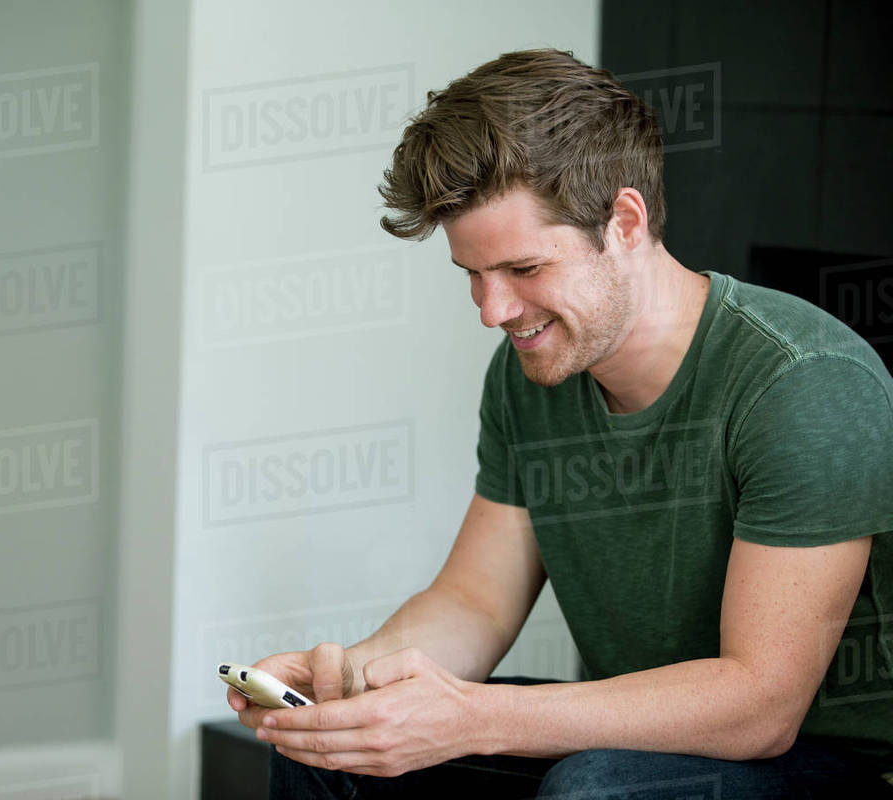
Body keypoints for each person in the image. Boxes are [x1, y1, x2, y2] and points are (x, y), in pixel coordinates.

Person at [227, 48, 893, 798]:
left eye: (524, 270)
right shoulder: (532, 371)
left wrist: (476, 718)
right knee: (328, 751)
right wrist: (347, 682)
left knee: (595, 788)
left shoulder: (801, 381)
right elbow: (476, 602)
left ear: (625, 223)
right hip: (641, 746)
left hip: (834, 762)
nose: (493, 311)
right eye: (473, 275)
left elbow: (761, 707)